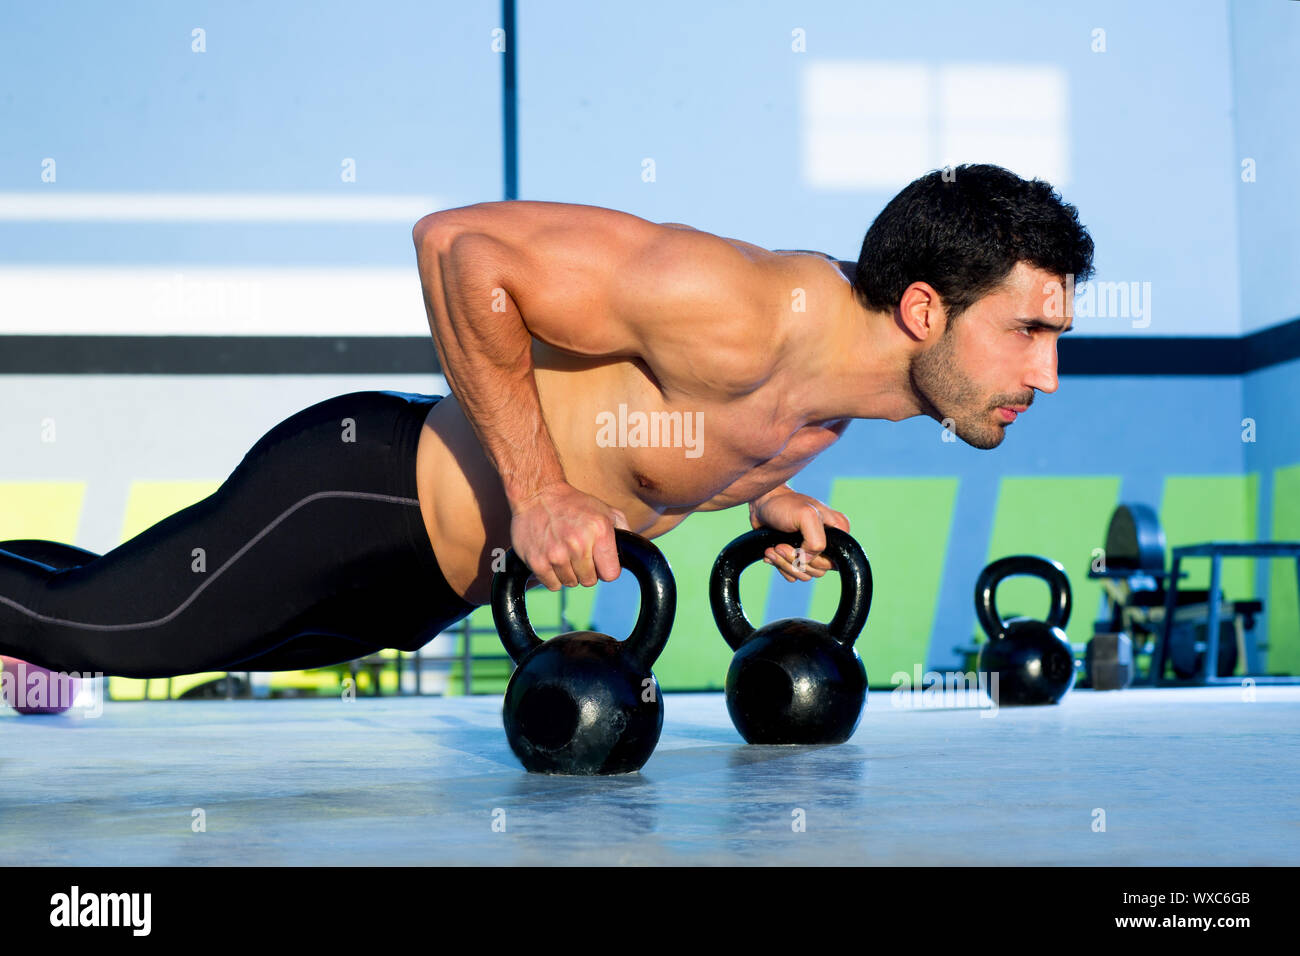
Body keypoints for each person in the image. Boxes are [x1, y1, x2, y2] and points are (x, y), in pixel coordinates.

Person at [0, 163, 1094, 678]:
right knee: (109, 636)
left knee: (98, 606)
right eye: (1027, 332)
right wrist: (536, 491)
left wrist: (770, 495)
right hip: (359, 493)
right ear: (922, 310)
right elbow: (458, 246)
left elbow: (684, 431)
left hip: (425, 587)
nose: (1045, 376)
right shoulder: (740, 306)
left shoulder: (850, 389)